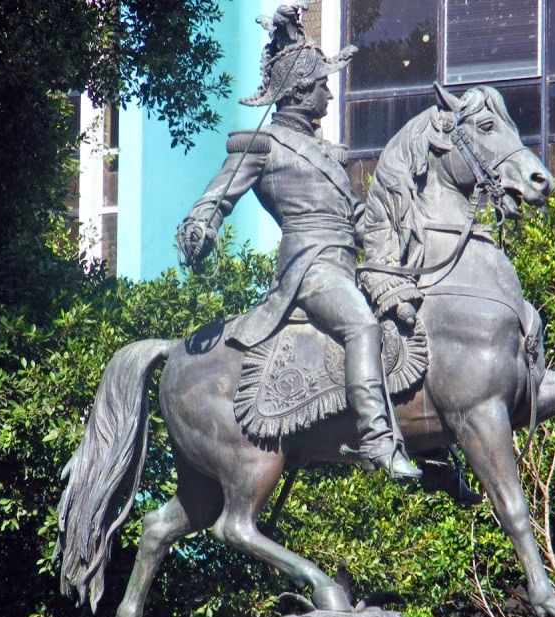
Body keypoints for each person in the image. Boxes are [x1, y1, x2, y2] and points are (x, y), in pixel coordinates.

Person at [177, 5, 420, 481]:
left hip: (348, 266)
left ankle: (434, 451)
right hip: (310, 269)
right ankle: (377, 440)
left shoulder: (328, 155)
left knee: (407, 322)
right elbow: (217, 198)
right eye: (323, 84)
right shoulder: (263, 145)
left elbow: (357, 216)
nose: (330, 92)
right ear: (301, 90)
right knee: (363, 327)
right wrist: (200, 226)